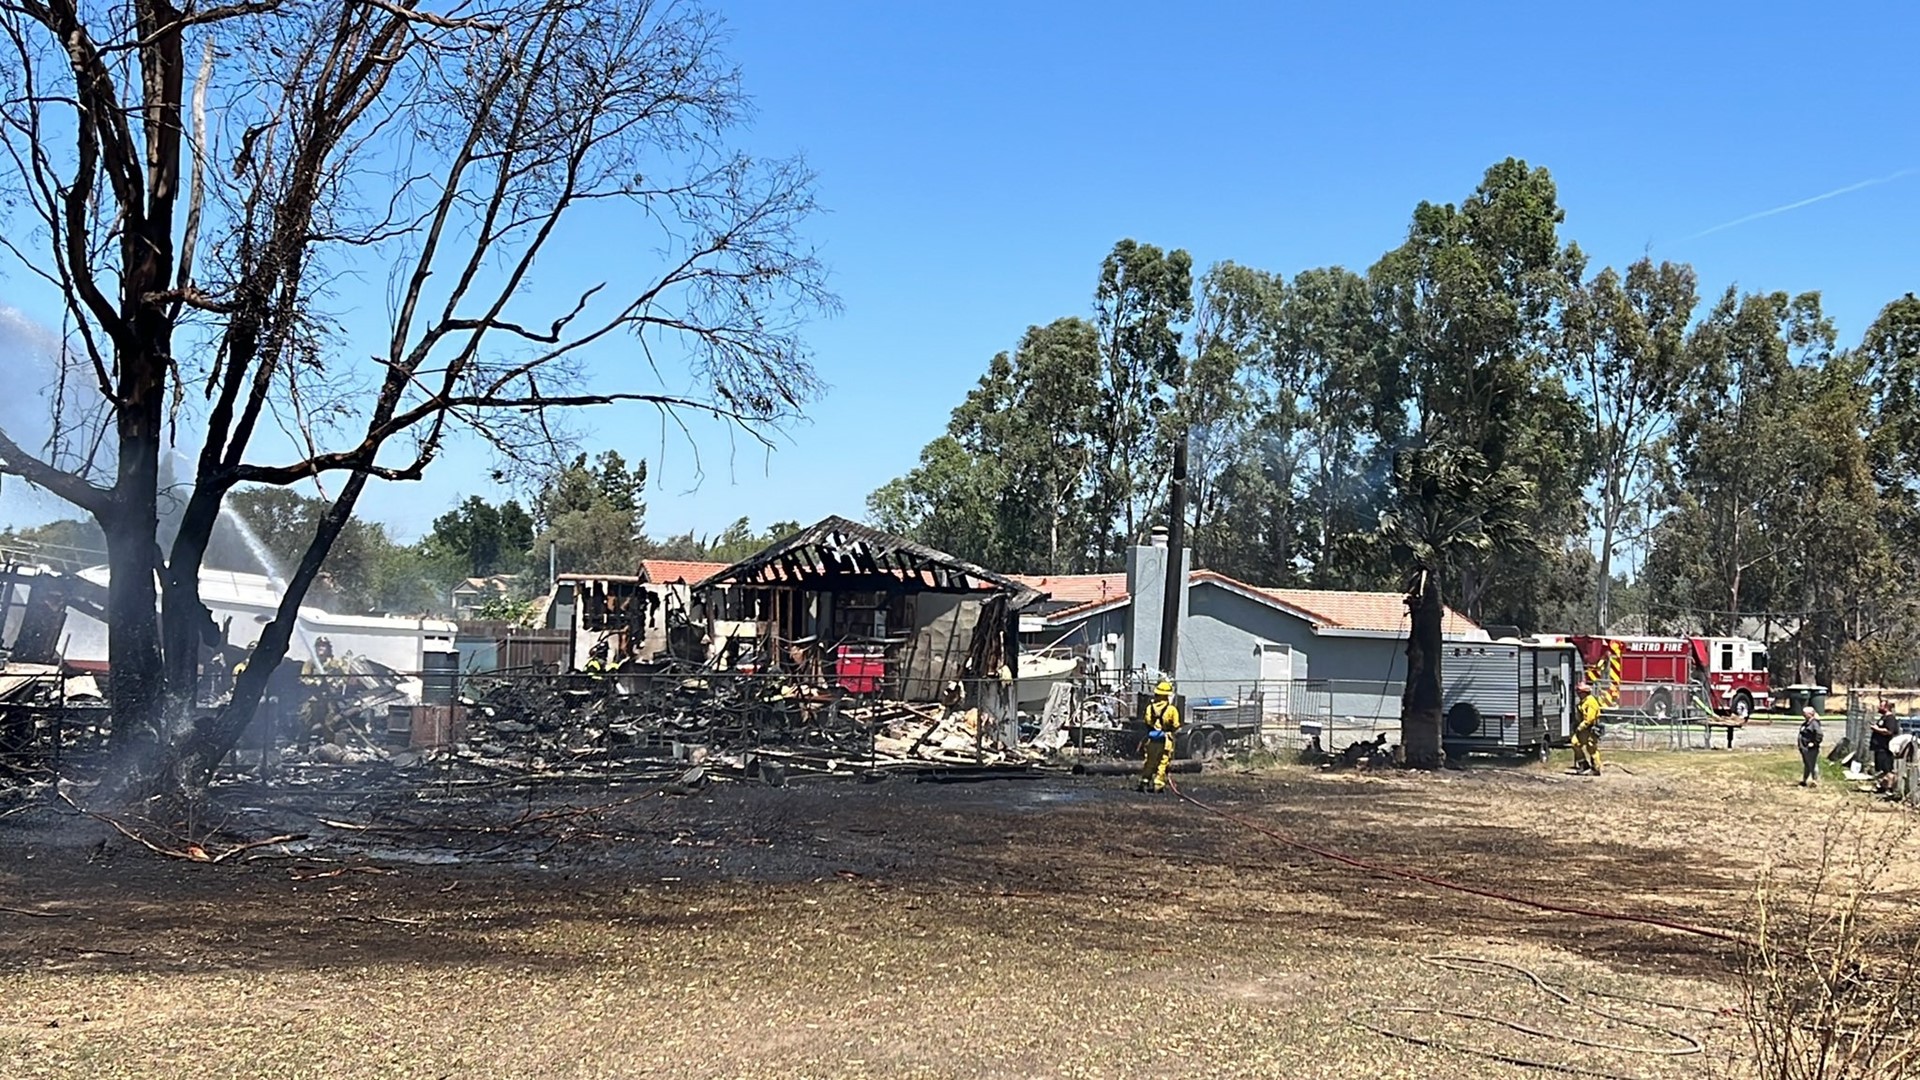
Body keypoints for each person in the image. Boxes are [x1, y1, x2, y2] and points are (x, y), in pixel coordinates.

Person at [1137, 680, 1182, 794]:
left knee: (1150, 761)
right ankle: (1158, 784)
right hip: (1165, 740)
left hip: (1151, 740)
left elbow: (1147, 721)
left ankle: (1144, 781)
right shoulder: (1172, 710)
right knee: (1163, 762)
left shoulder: (1150, 708)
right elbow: (1176, 725)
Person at [1572, 681, 1602, 776]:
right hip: (1583, 729)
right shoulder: (1583, 701)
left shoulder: (1591, 702)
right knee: (1575, 743)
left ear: (1584, 692)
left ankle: (1596, 769)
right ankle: (1583, 765)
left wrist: (1581, 726)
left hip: (1590, 729)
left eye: (1579, 692)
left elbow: (1590, 718)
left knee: (1591, 748)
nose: (1578, 694)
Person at [1870, 701, 1898, 794]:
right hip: (1879, 747)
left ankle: (1890, 789)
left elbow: (1889, 731)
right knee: (1881, 769)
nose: (1878, 707)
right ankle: (1882, 787)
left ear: (1886, 707)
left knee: (1887, 769)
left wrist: (1876, 729)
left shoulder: (1890, 718)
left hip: (1885, 748)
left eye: (1881, 706)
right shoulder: (1884, 717)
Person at [1797, 706, 1824, 787]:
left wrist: (1814, 743)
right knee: (1807, 765)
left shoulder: (1814, 723)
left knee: (1812, 764)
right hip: (1804, 748)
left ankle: (1815, 781)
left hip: (1811, 749)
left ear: (1810, 714)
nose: (1803, 714)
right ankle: (1805, 780)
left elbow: (1819, 734)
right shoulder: (1806, 723)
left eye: (1804, 713)